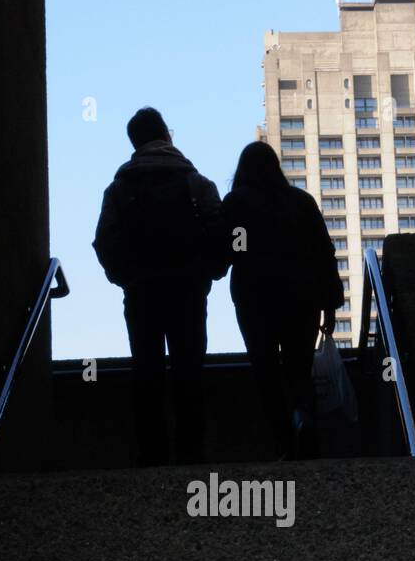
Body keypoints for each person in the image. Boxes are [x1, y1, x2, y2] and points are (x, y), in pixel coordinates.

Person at [93, 108, 227, 465]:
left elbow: (104, 241)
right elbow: (220, 233)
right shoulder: (197, 183)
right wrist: (209, 272)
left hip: (142, 292)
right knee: (189, 371)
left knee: (147, 373)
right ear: (167, 135)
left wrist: (126, 277)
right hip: (188, 290)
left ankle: (152, 458)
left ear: (134, 143)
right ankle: (192, 456)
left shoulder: (120, 187)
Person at [222, 141, 344, 458]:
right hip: (302, 300)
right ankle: (304, 422)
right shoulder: (301, 202)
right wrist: (330, 301)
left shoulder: (237, 202)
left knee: (265, 370)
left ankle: (282, 441)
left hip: (254, 299)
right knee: (299, 369)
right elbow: (323, 252)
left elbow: (227, 251)